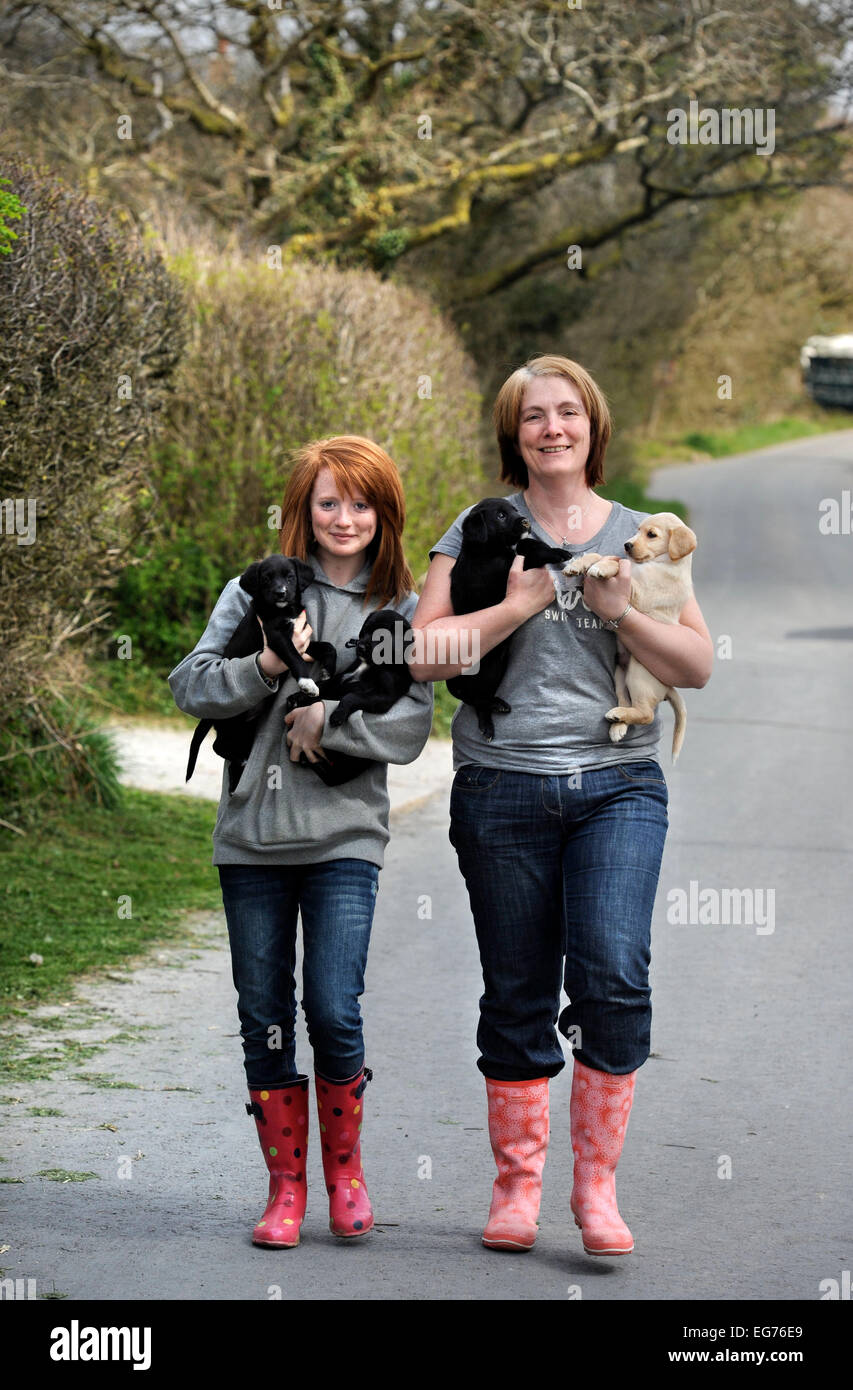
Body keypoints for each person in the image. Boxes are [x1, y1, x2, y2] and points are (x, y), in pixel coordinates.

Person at [410, 355, 712, 1256]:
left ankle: (594, 1187)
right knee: (516, 990)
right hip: (501, 787)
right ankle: (515, 1187)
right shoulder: (476, 528)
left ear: (593, 426)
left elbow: (695, 667)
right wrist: (516, 605)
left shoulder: (642, 534)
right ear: (514, 435)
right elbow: (422, 655)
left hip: (617, 784)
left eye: (567, 412)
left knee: (613, 974)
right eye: (532, 415)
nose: (551, 428)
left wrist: (620, 613)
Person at [168, 436, 433, 1248]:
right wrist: (266, 663)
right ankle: (284, 1189)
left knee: (331, 1005)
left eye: (360, 503)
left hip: (344, 836)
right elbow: (191, 684)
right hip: (251, 837)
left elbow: (410, 724)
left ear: (383, 513)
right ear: (302, 511)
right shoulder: (253, 590)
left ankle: (344, 1174)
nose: (343, 518)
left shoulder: (401, 606)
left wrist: (332, 724)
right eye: (327, 502)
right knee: (264, 1015)